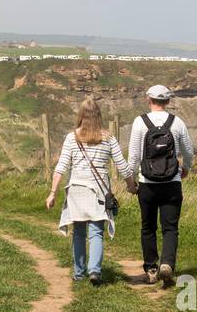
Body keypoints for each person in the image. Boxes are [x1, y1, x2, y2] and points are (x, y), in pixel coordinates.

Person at [45, 98, 134, 285]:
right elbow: (122, 166)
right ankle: (94, 271)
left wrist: (53, 192)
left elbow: (61, 166)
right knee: (96, 232)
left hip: (76, 189)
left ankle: (78, 273)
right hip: (98, 190)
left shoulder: (72, 137)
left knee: (78, 232)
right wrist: (131, 185)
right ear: (99, 117)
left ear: (81, 116)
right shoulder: (108, 138)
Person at [125, 84, 194, 288]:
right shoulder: (177, 122)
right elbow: (188, 151)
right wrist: (186, 168)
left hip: (147, 183)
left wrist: (130, 180)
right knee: (170, 227)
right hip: (171, 183)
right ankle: (167, 264)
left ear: (149, 100)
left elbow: (135, 155)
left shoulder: (140, 122)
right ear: (168, 101)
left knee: (148, 227)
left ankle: (151, 269)